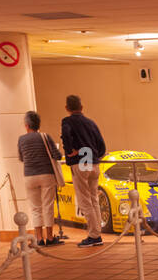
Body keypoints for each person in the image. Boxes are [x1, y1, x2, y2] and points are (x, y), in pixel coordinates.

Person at [61, 95, 108, 247]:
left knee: (84, 200)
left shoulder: (67, 121)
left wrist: (70, 151)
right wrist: (96, 156)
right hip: (93, 162)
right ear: (82, 107)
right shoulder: (90, 122)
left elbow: (66, 136)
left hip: (81, 162)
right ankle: (97, 232)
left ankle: (94, 235)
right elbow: (101, 145)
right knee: (94, 198)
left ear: (67, 108)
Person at [17, 111, 64, 246]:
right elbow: (57, 155)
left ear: (27, 125)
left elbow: (21, 158)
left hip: (30, 176)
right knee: (48, 206)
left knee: (35, 208)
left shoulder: (21, 139)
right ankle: (49, 237)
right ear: (38, 124)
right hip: (46, 175)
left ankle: (39, 238)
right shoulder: (45, 137)